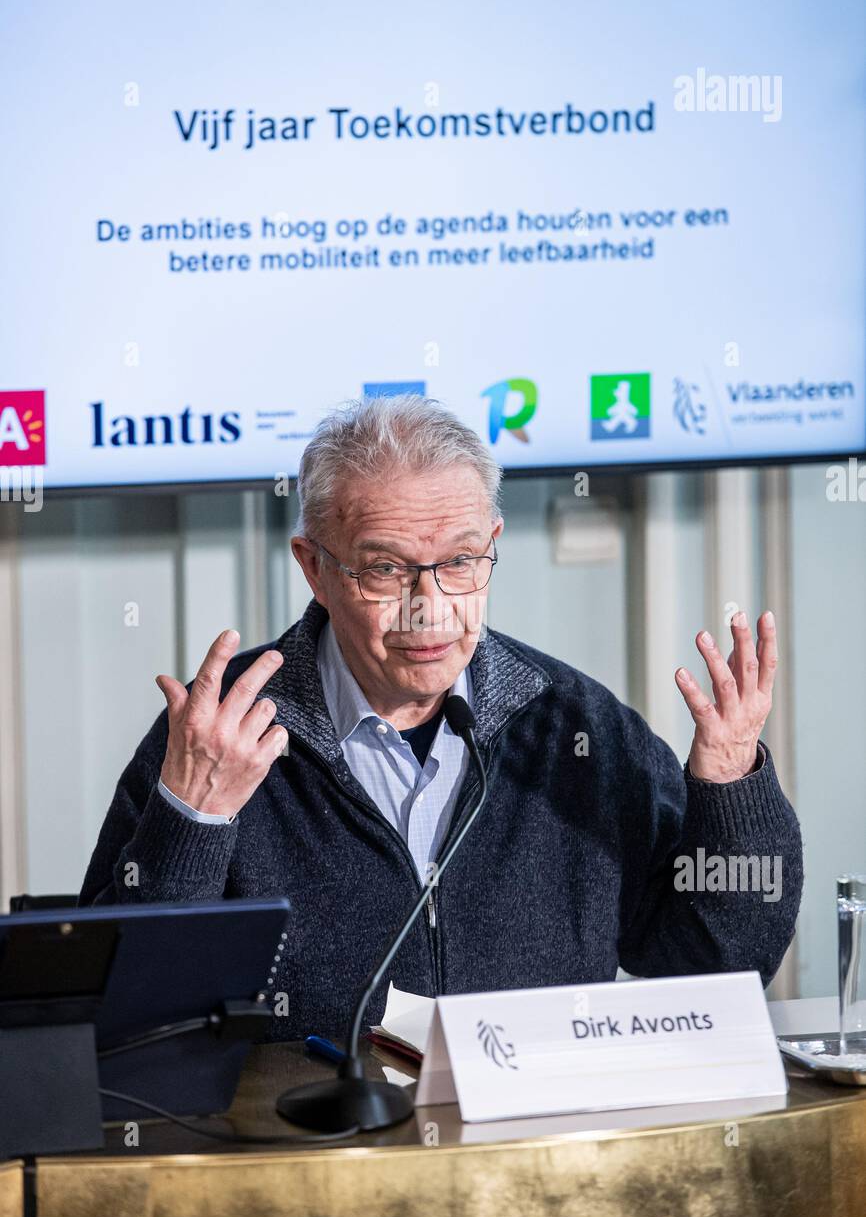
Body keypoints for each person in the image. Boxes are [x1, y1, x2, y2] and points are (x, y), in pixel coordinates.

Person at [80, 395, 802, 1039]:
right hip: (304, 1139)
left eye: (459, 562)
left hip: (534, 1138)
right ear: (314, 567)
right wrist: (192, 821)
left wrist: (732, 790)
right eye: (386, 569)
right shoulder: (218, 732)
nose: (428, 609)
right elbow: (122, 1011)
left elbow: (719, 965)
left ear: (492, 545)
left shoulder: (577, 726)